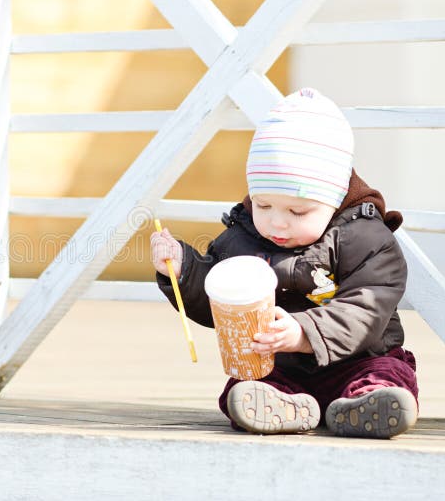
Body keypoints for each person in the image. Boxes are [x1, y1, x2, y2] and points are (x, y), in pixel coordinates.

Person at [150, 88, 418, 438]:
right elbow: (218, 299)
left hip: (356, 358)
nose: (277, 222)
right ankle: (282, 405)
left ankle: (367, 401)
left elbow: (367, 308)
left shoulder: (364, 239)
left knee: (387, 372)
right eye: (263, 205)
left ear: (335, 199)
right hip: (278, 366)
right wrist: (182, 269)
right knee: (244, 384)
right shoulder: (242, 238)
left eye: (297, 211)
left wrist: (304, 332)